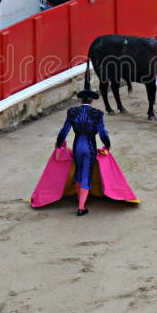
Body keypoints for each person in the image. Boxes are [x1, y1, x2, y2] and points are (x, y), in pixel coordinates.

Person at [54, 87, 112, 216]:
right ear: (92, 101)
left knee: (78, 171)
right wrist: (107, 146)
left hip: (77, 146)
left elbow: (64, 130)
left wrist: (58, 145)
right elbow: (102, 132)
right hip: (89, 146)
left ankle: (80, 199)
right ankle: (81, 207)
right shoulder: (97, 114)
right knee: (86, 174)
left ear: (80, 100)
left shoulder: (73, 112)